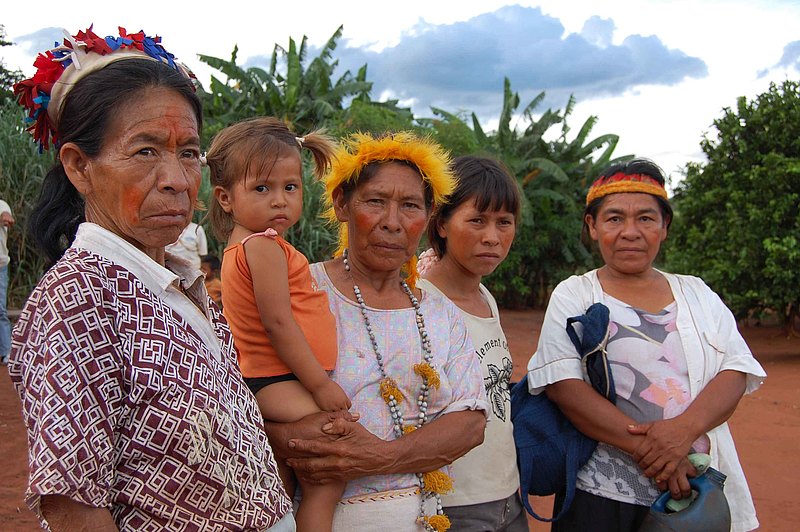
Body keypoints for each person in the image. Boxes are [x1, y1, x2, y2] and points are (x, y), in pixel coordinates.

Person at [9, 26, 294, 531]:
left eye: (188, 152)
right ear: (78, 167)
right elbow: (73, 505)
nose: (178, 179)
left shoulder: (179, 283)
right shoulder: (78, 298)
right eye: (145, 152)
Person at [525, 159, 767, 531]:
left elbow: (735, 370)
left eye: (646, 219)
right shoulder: (575, 293)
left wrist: (684, 431)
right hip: (601, 493)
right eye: (615, 218)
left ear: (664, 227)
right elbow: (564, 385)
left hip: (692, 493)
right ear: (592, 226)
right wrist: (656, 453)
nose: (630, 232)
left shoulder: (697, 293)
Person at [266, 131, 491, 532]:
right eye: (375, 201)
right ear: (341, 205)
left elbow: (470, 422)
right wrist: (290, 439)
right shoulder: (297, 293)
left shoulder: (440, 313)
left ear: (428, 218)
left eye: (410, 206)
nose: (392, 223)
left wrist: (378, 456)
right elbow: (241, 396)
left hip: (423, 517)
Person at [207, 116, 349, 531]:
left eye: (290, 188)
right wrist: (320, 385)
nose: (279, 200)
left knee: (284, 480)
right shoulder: (262, 247)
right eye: (262, 188)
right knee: (329, 471)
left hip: (277, 379)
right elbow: (278, 324)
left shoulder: (247, 246)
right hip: (275, 381)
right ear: (226, 198)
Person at [416, 155, 528, 531]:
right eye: (477, 220)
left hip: (508, 495)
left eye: (504, 223)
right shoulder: (419, 305)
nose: (492, 237)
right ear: (442, 223)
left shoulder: (485, 297)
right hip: (453, 504)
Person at [0, 197, 14, 366]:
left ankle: (7, 351)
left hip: (0, 266)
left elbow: (5, 215)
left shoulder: (2, 204)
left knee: (1, 310)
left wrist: (6, 218)